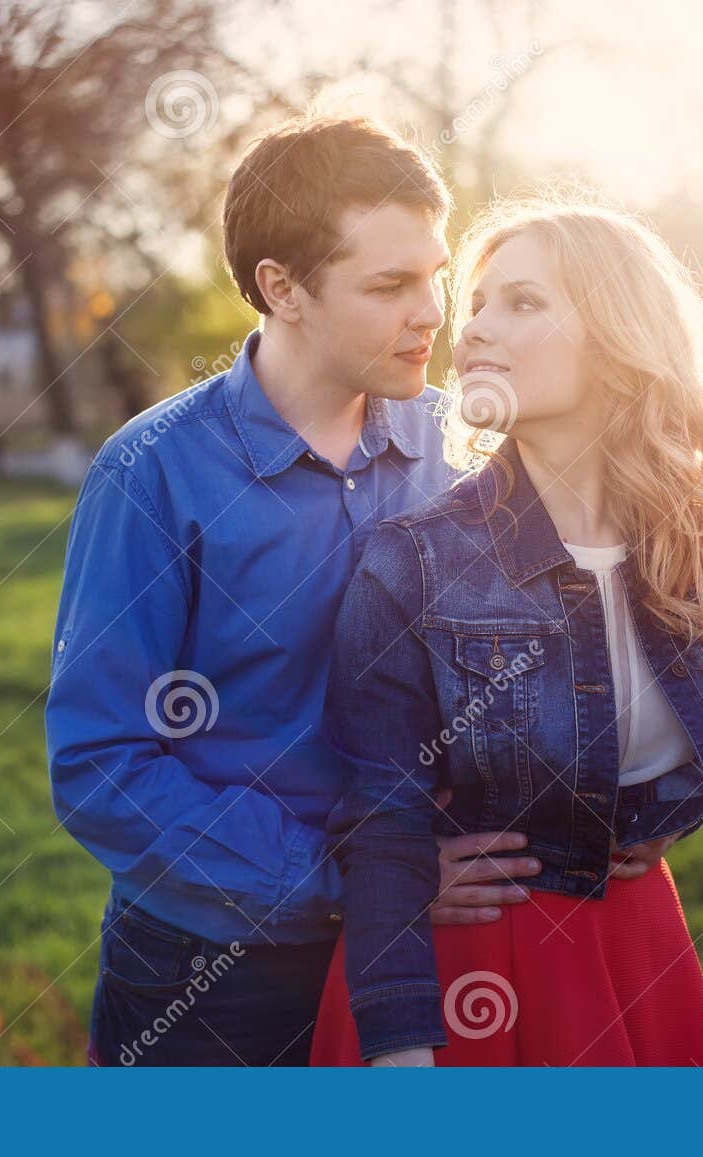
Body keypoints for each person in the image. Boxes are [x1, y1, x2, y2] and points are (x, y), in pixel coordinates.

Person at [309, 195, 703, 1066]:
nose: (472, 329)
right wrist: (404, 1062)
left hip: (634, 954)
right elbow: (382, 826)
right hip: (454, 978)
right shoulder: (414, 561)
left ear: (619, 338)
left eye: (520, 302)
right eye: (475, 305)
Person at [44, 117, 548, 1066]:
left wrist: (613, 811)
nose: (434, 312)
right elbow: (103, 766)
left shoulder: (466, 449)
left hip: (430, 953)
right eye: (390, 284)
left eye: (435, 273)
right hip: (215, 976)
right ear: (283, 288)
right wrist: (359, 880)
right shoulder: (151, 474)